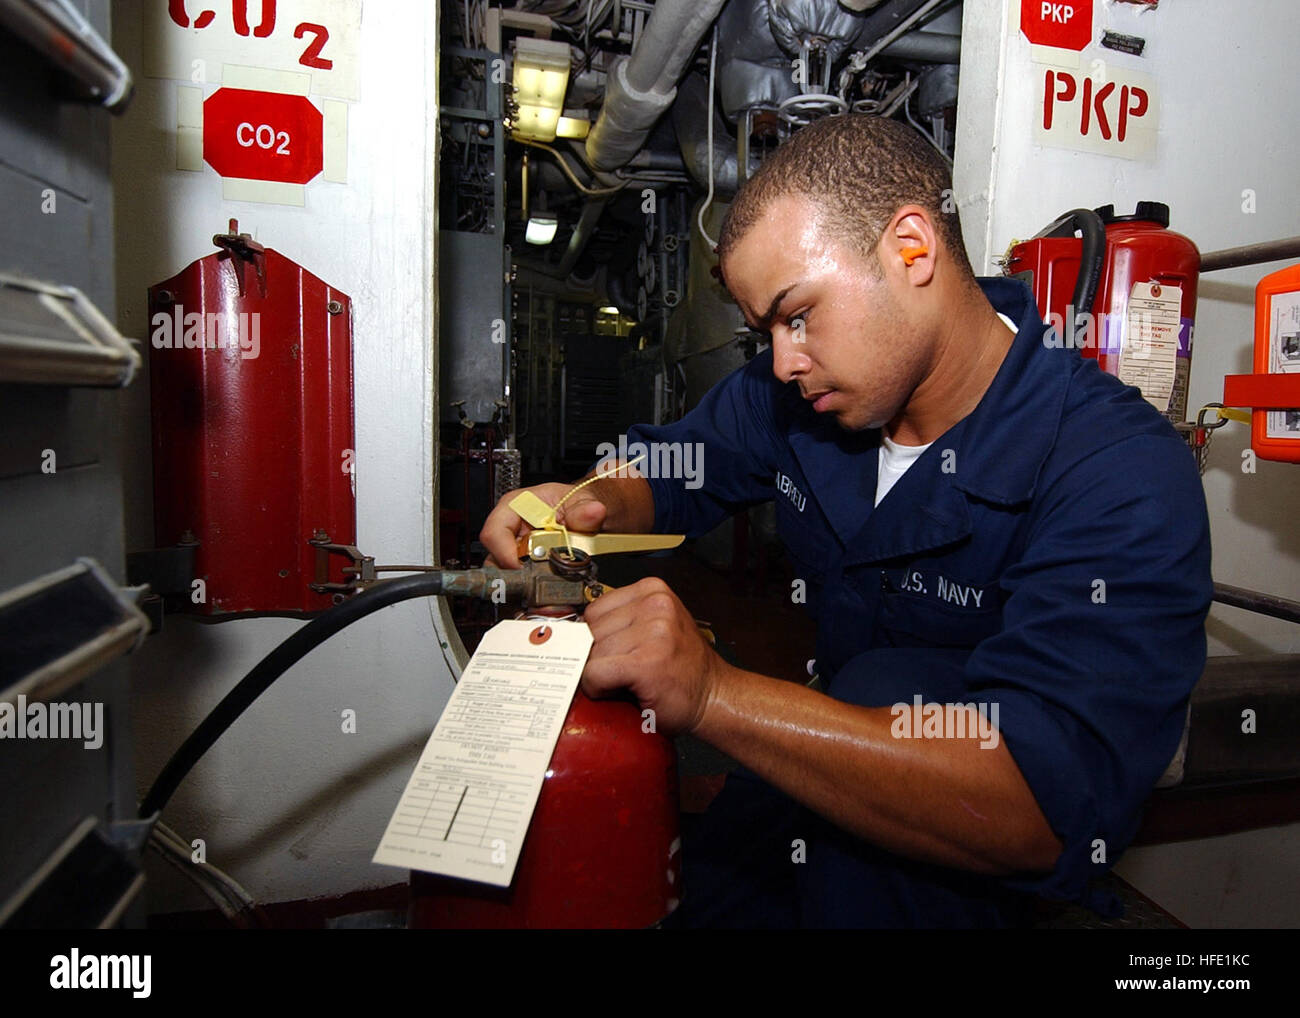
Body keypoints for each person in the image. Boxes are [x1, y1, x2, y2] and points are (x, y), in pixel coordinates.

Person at [480, 115, 1212, 927]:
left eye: (798, 314)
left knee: (890, 689)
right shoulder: (802, 395)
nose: (784, 362)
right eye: (765, 332)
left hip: (979, 865)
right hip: (817, 769)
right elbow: (676, 463)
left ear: (911, 248)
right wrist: (581, 499)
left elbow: (1040, 806)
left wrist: (714, 693)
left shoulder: (1118, 468)